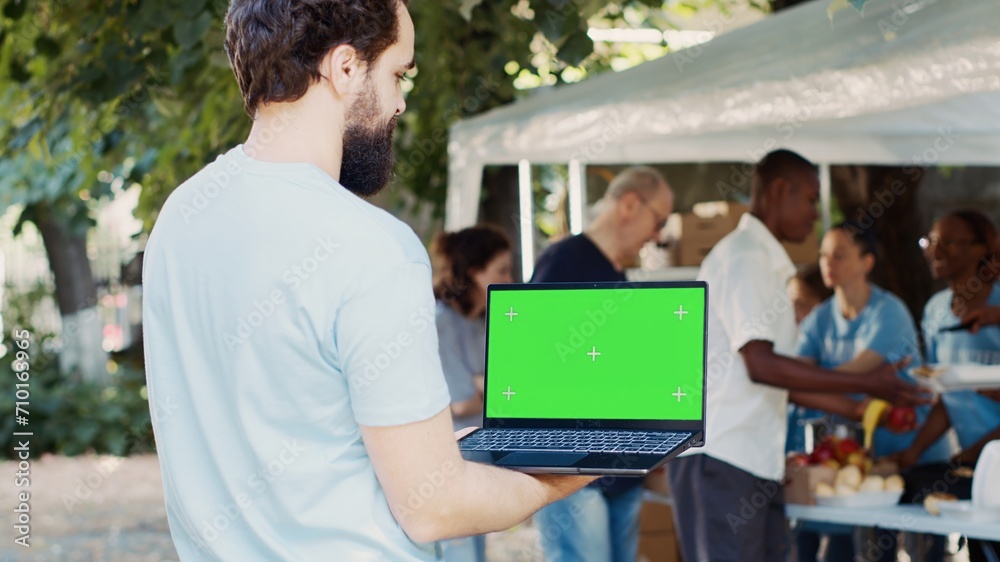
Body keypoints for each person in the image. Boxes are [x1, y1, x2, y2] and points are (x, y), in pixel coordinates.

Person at [142, 2, 594, 559]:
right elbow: (436, 507)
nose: (402, 101)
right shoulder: (370, 245)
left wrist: (437, 453)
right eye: (398, 73)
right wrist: (577, 469)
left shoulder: (180, 217)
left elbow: (296, 431)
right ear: (346, 67)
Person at [667, 149, 926, 562]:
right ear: (779, 191)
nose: (814, 214)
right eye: (809, 199)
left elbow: (779, 377)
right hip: (724, 456)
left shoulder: (763, 261)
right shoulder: (746, 257)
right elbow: (763, 366)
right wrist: (865, 383)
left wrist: (856, 407)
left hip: (752, 460)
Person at [530, 166, 674, 562]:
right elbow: (534, 366)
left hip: (619, 472)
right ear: (630, 204)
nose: (658, 235)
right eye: (658, 220)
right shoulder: (564, 263)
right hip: (572, 471)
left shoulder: (617, 274)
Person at [790, 222, 953, 562]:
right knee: (866, 550)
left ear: (867, 262)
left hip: (915, 452)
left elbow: (848, 374)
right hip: (861, 457)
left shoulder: (888, 312)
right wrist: (803, 381)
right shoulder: (819, 319)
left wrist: (806, 379)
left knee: (925, 551)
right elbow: (799, 381)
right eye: (823, 255)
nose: (827, 264)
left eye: (838, 255)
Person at [894, 210, 1000, 562]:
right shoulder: (935, 310)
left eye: (948, 242)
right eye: (930, 241)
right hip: (975, 466)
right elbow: (948, 396)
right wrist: (915, 450)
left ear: (980, 248)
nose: (934, 251)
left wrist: (976, 454)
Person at [431, 225, 513, 562]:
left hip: (481, 463)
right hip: (450, 465)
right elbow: (464, 400)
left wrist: (483, 383)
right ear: (477, 274)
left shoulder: (487, 320)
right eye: (503, 271)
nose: (511, 279)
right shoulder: (441, 323)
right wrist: (490, 386)